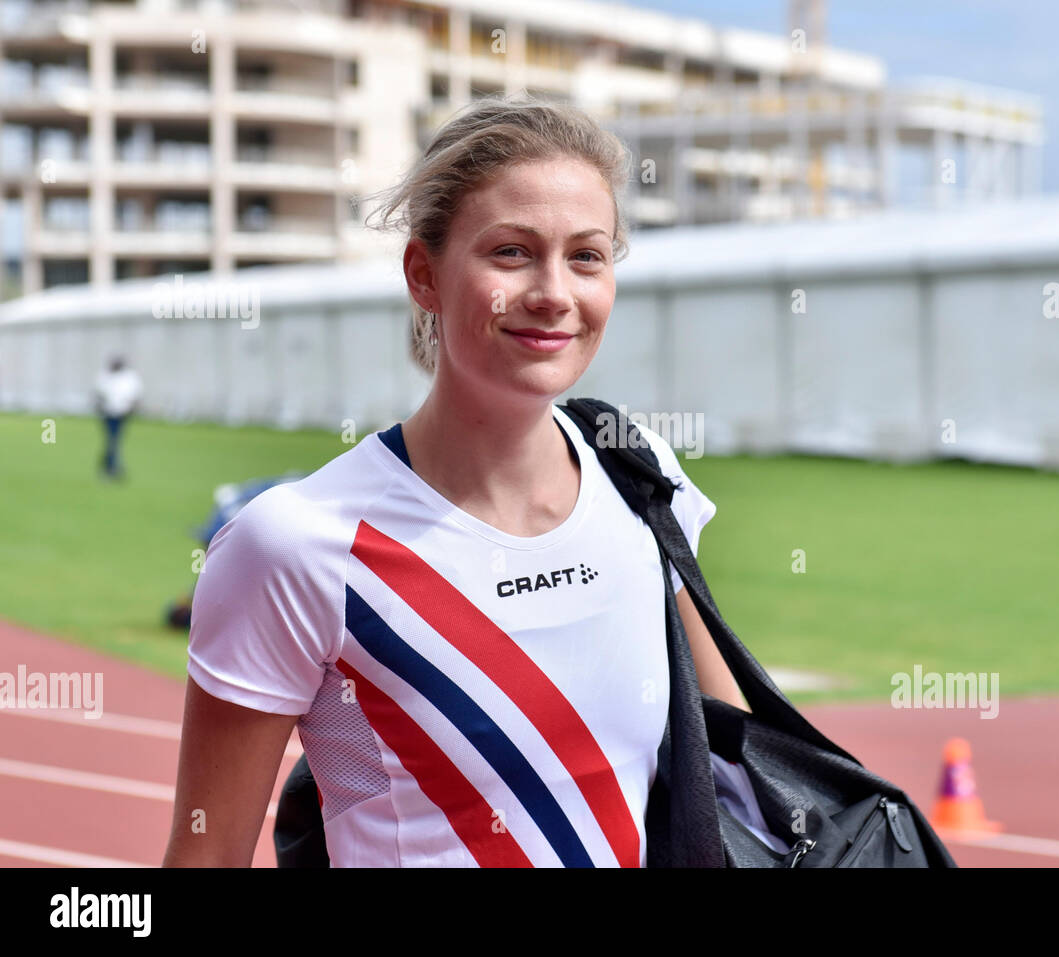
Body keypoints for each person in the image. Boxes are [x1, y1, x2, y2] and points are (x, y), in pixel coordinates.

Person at [163, 94, 747, 868]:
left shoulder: (639, 479)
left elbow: (736, 771)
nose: (553, 292)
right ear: (423, 273)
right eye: (510, 251)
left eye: (587, 255)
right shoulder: (298, 545)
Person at [93, 354, 142, 478]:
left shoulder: (129, 377)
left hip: (122, 413)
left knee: (114, 440)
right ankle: (112, 467)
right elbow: (98, 393)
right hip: (108, 413)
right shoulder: (105, 375)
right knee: (112, 439)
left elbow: (135, 395)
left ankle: (109, 466)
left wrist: (131, 408)